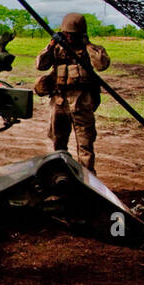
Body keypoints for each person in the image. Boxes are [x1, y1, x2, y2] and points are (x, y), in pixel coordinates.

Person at [36, 12, 111, 171]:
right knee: (59, 144)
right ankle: (60, 176)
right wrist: (51, 45)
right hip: (59, 101)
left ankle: (88, 181)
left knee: (85, 145)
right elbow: (41, 65)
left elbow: (102, 65)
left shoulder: (89, 50)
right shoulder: (56, 48)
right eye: (66, 34)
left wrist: (88, 45)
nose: (69, 38)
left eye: (73, 35)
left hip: (82, 102)